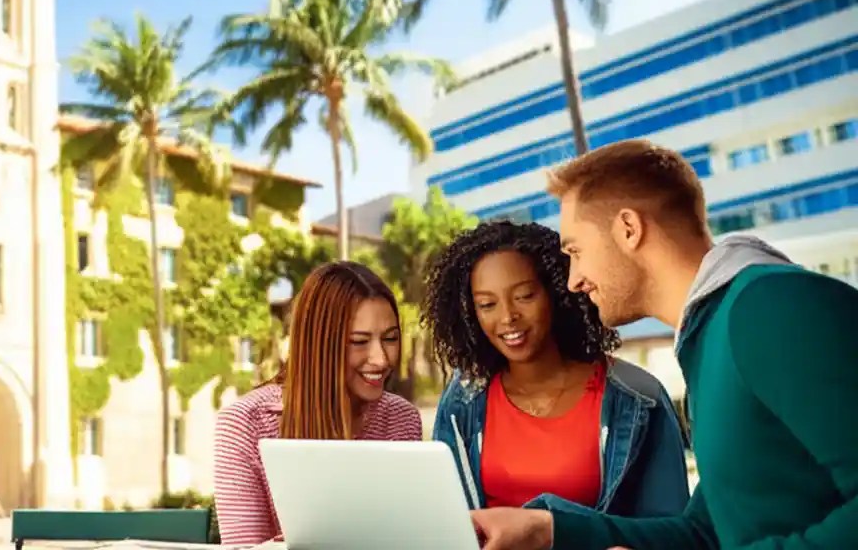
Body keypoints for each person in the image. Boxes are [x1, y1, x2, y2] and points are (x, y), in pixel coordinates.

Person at [471, 138, 858, 550]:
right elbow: (706, 534)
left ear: (628, 229)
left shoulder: (769, 306)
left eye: (576, 251)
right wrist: (545, 530)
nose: (573, 280)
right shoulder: (710, 339)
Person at [426, 220, 689, 517]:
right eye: (487, 304)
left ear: (555, 294)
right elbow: (447, 514)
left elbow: (671, 528)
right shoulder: (463, 400)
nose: (508, 316)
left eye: (524, 296)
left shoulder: (639, 398)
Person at [212, 260, 423, 545]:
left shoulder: (401, 418)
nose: (381, 359)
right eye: (359, 341)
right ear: (319, 345)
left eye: (390, 338)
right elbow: (244, 546)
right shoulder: (244, 424)